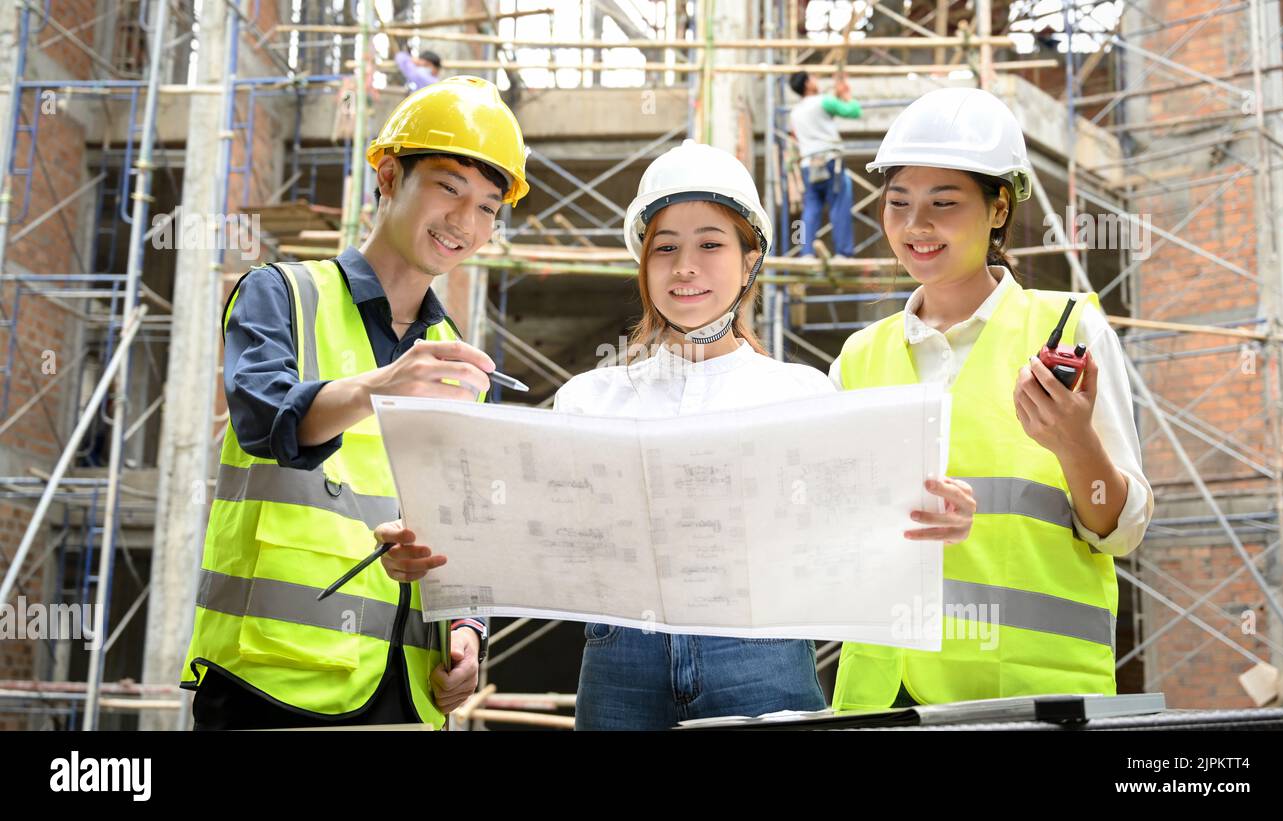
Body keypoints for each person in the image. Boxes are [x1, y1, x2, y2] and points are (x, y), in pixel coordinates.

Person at [524, 139, 969, 730]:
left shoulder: (801, 396)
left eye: (711, 244)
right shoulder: (589, 400)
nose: (685, 266)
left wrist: (927, 522)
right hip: (621, 653)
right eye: (665, 248)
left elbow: (849, 536)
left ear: (750, 261)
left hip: (760, 651)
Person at [181, 76, 530, 729]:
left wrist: (467, 628)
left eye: (488, 207)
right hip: (273, 682)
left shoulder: (456, 357)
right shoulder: (281, 294)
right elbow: (263, 418)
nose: (466, 222)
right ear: (390, 175)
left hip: (407, 690)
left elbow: (464, 523)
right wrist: (380, 387)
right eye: (449, 188)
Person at [829, 87, 1154, 711]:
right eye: (898, 202)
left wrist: (1075, 442)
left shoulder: (1068, 332)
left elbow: (1122, 531)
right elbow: (824, 527)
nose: (916, 226)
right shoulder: (858, 358)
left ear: (999, 208)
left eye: (943, 203)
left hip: (1033, 696)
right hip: (882, 697)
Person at [788, 70, 861, 258]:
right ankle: (843, 253)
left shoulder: (795, 112)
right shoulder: (824, 101)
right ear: (807, 83)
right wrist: (846, 95)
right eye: (813, 78)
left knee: (810, 209)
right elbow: (854, 111)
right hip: (830, 161)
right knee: (839, 205)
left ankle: (806, 252)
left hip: (808, 164)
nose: (817, 80)